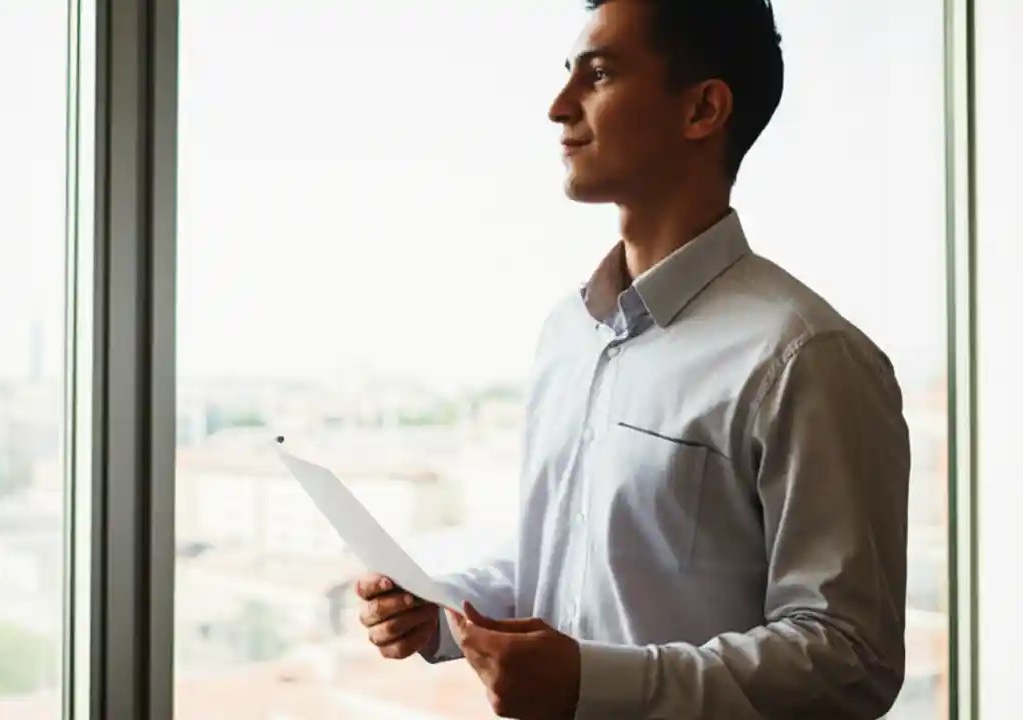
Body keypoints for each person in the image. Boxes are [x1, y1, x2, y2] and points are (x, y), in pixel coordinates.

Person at [354, 0, 911, 718]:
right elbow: (575, 556)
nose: (559, 107)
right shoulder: (567, 334)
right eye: (568, 75)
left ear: (702, 109)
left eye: (600, 74)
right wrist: (445, 608)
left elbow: (849, 658)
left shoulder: (805, 358)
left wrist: (595, 683)